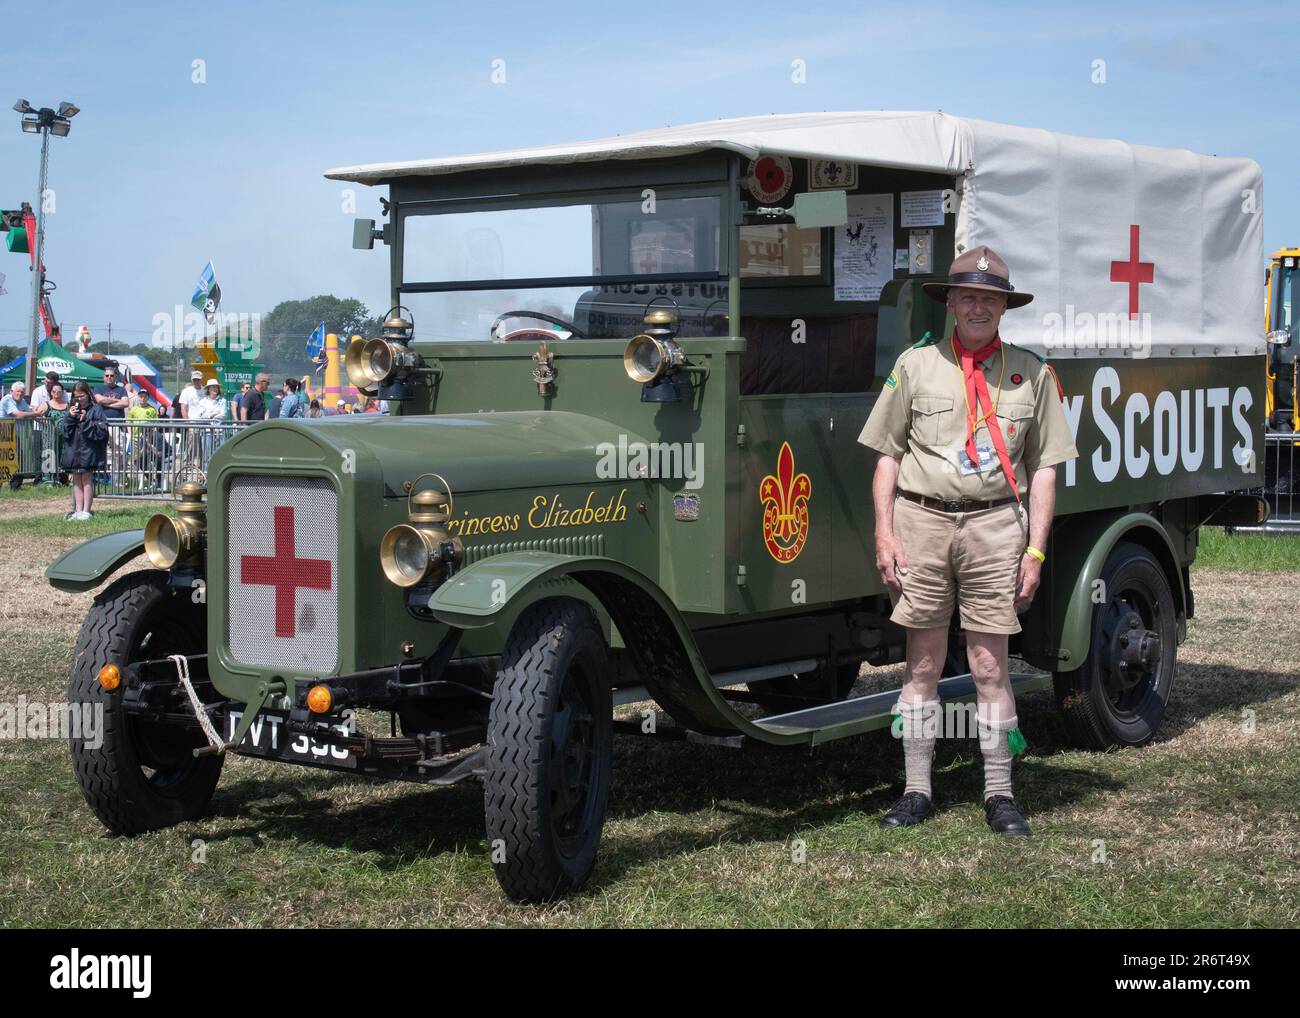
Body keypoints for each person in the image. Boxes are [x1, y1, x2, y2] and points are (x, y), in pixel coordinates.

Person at [858, 246, 1078, 837]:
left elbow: (1047, 469)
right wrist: (884, 533)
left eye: (991, 298)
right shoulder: (915, 366)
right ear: (950, 302)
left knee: (989, 667)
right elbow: (887, 457)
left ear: (1004, 308)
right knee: (922, 664)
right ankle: (916, 789)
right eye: (969, 296)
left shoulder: (1032, 373)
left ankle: (1001, 793)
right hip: (922, 524)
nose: (979, 307)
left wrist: (1035, 549)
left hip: (994, 529)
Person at [61, 380, 108, 520]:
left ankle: (86, 511)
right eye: (76, 396)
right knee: (76, 478)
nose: (79, 399)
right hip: (74, 449)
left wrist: (85, 420)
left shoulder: (96, 409)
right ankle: (78, 510)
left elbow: (102, 430)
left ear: (88, 394)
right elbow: (64, 431)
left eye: (82, 396)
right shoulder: (71, 408)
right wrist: (69, 417)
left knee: (86, 478)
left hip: (89, 449)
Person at [38, 382, 70, 484]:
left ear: (62, 392)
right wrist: (44, 421)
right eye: (54, 391)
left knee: (63, 455)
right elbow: (37, 416)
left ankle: (62, 478)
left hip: (64, 437)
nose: (56, 393)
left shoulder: (67, 405)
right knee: (50, 455)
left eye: (59, 391)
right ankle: (48, 479)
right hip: (49, 437)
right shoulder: (46, 404)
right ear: (51, 392)